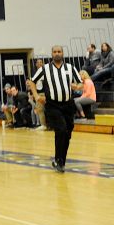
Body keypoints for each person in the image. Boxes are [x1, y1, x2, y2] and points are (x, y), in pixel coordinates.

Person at [31, 45, 83, 173]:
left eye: (59, 51)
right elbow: (32, 81)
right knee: (61, 129)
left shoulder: (70, 68)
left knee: (67, 133)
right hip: (53, 105)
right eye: (55, 52)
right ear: (52, 54)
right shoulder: (45, 68)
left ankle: (61, 161)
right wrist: (37, 96)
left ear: (62, 53)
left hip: (68, 105)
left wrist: (77, 87)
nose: (57, 53)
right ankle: (58, 160)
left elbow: (81, 82)